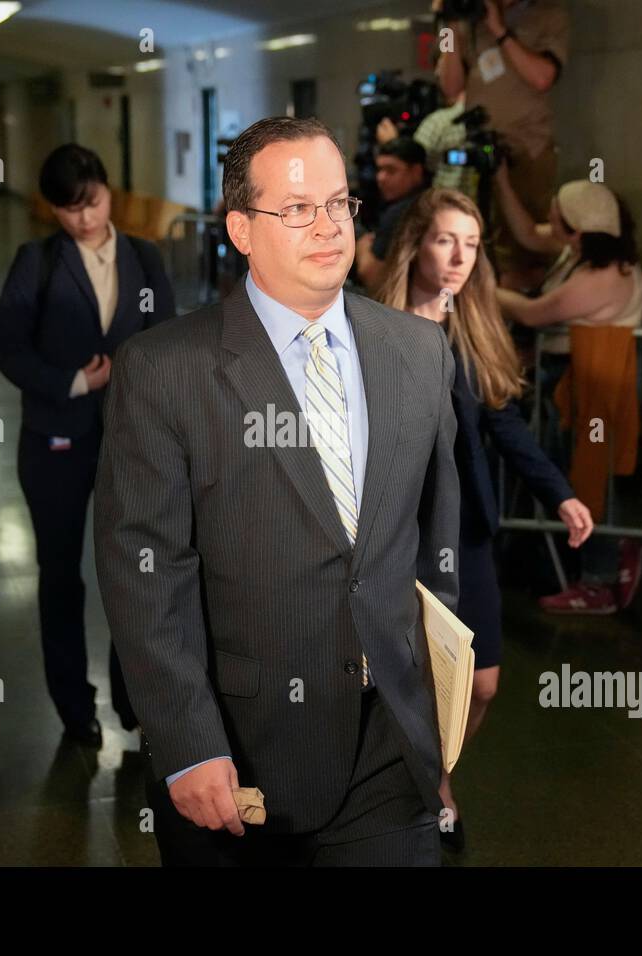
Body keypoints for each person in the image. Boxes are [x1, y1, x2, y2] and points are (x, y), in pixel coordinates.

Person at [94, 116, 460, 866]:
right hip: (244, 755)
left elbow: (438, 533)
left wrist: (446, 703)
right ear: (240, 228)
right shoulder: (168, 370)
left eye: (338, 203)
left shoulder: (419, 353)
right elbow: (146, 571)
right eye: (295, 209)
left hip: (390, 747)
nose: (327, 227)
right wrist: (189, 744)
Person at [377, 187, 592, 848]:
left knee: (484, 682)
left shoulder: (470, 331)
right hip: (392, 533)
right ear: (417, 243)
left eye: (471, 244)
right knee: (398, 678)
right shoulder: (372, 329)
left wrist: (560, 492)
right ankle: (411, 795)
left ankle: (435, 776)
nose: (459, 257)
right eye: (446, 240)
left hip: (462, 530)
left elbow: (505, 423)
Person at [0, 143, 175, 747]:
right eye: (69, 210)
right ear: (52, 211)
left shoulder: (145, 259)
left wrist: (139, 375)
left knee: (136, 572)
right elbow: (7, 345)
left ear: (107, 192)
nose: (85, 219)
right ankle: (75, 708)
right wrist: (73, 381)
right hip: (55, 441)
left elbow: (168, 339)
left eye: (91, 203)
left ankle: (137, 702)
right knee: (61, 575)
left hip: (130, 440)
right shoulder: (36, 262)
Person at [493, 170, 642, 614]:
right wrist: (503, 178)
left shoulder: (604, 275)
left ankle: (600, 578)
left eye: (555, 216)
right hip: (572, 381)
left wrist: (479, 288)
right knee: (574, 470)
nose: (548, 221)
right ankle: (610, 556)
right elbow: (527, 232)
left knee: (588, 475)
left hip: (594, 386)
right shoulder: (580, 253)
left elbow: (537, 312)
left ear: (575, 229)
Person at [436, 0, 569, 289]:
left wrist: (499, 29)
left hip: (526, 149)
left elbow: (543, 76)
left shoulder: (546, 13)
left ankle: (517, 321)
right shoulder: (471, 19)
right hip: (481, 150)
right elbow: (450, 87)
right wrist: (448, 25)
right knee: (481, 242)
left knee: (522, 254)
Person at [355, 137, 429, 292]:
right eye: (379, 170)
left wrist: (360, 238)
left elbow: (371, 275)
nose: (380, 178)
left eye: (391, 170)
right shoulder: (430, 201)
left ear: (416, 171)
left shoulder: (402, 213)